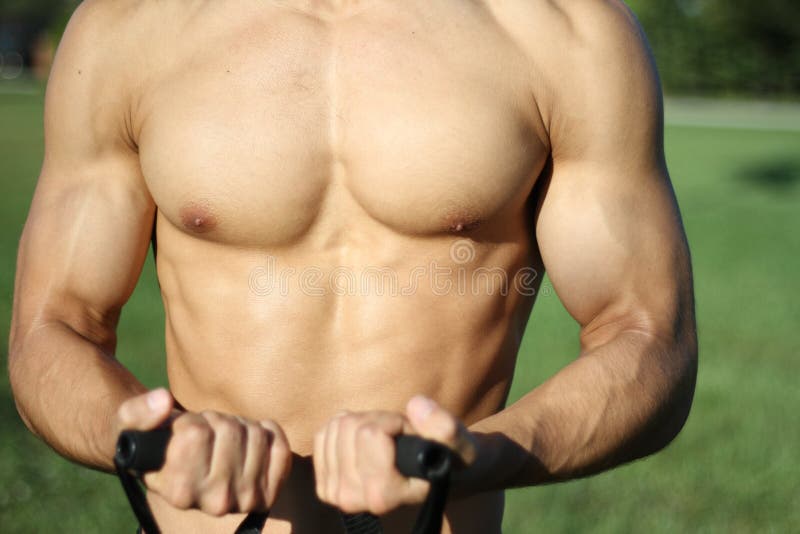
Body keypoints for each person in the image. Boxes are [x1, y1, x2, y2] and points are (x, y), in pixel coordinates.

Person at [8, 0, 697, 532]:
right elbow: (54, 326)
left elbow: (647, 335)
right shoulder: (127, 29)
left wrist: (479, 456)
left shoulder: (564, 30)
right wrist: (140, 440)